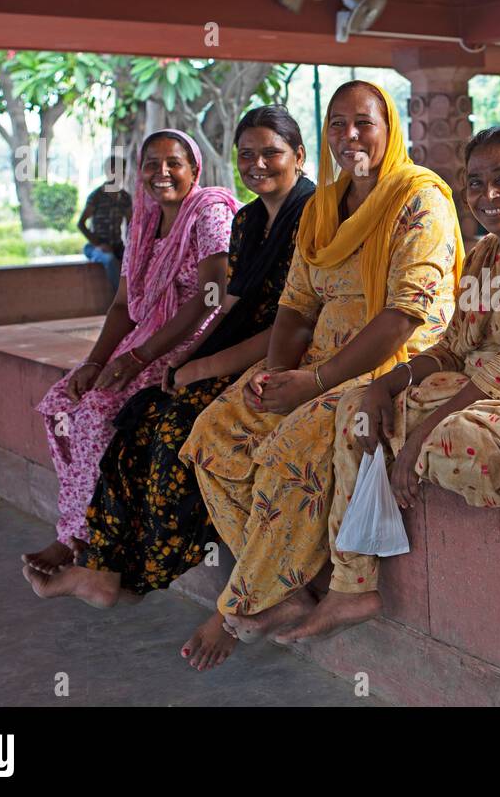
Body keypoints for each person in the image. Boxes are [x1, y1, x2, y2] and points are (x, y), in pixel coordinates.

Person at [291, 126, 500, 640]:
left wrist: (422, 433)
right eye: (475, 183)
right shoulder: (486, 255)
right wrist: (387, 384)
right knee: (357, 407)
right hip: (487, 392)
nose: (488, 195)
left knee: (459, 446)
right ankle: (352, 583)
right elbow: (453, 348)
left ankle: (413, 469)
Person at [24, 108, 315, 671]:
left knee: (177, 435)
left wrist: (189, 365)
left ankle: (210, 596)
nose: (257, 164)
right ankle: (104, 565)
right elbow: (230, 304)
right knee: (139, 417)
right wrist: (161, 366)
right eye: (247, 154)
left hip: (284, 358)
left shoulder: (306, 216)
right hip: (227, 350)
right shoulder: (252, 220)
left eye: (271, 153)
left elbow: (287, 320)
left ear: (299, 156)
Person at [181, 80, 462, 647]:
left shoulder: (418, 199)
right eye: (338, 123)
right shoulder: (324, 208)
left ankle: (236, 607)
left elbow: (403, 318)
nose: (350, 134)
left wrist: (313, 383)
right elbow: (296, 306)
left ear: (390, 129)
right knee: (213, 434)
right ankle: (283, 591)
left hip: (389, 366)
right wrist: (274, 375)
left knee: (289, 448)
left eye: (364, 122)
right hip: (314, 365)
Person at [23, 129, 239, 580]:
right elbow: (124, 305)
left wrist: (139, 359)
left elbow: (211, 295)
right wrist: (94, 362)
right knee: (64, 402)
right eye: (151, 164)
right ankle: (83, 526)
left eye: (173, 163)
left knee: (99, 413)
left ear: (194, 169)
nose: (162, 173)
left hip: (191, 339)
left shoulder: (209, 213)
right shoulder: (140, 224)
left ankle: (85, 538)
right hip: (145, 338)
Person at [77, 157, 133, 289]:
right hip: (95, 247)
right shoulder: (96, 196)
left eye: (123, 171)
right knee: (109, 260)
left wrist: (131, 248)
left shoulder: (125, 198)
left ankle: (138, 301)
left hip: (118, 246)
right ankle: (120, 302)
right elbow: (81, 224)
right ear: (108, 172)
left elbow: (132, 225)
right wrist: (99, 244)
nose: (121, 175)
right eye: (116, 171)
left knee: (137, 260)